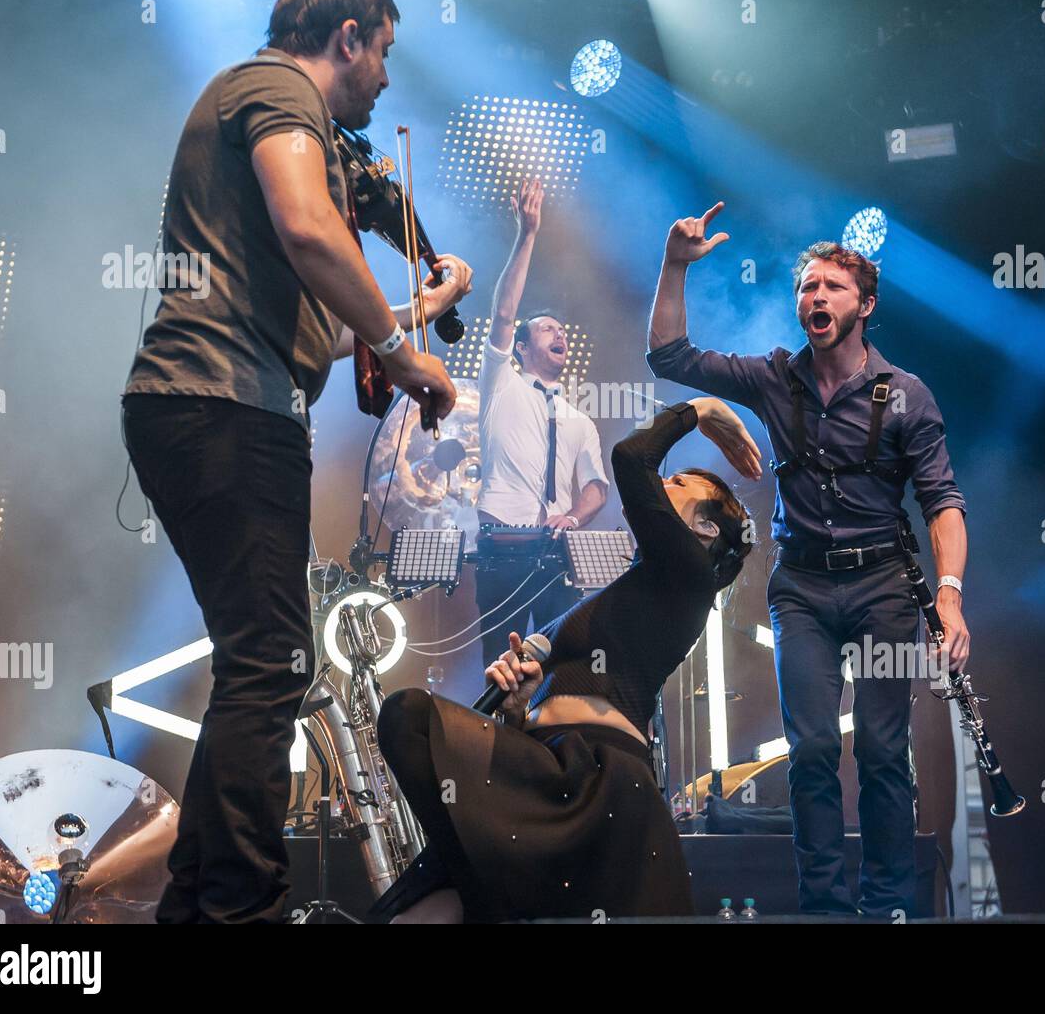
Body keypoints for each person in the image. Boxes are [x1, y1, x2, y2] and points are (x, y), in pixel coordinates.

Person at [121, 0, 468, 923]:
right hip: (219, 405)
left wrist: (420, 306)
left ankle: (197, 909)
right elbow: (313, 228)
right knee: (270, 663)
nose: (387, 81)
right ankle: (241, 908)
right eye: (385, 53)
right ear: (348, 36)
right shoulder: (276, 88)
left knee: (258, 660)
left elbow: (331, 281)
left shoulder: (281, 109)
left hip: (223, 407)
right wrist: (408, 355)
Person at [646, 202, 970, 917]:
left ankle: (889, 905)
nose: (815, 298)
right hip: (803, 589)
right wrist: (674, 265)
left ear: (866, 305)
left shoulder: (907, 396)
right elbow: (668, 356)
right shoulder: (773, 378)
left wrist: (947, 594)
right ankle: (824, 908)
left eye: (832, 287)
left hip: (886, 589)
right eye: (806, 287)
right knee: (814, 749)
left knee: (885, 753)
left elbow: (943, 501)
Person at [367, 397, 761, 922]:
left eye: (681, 485)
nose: (664, 484)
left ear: (706, 530)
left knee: (410, 717)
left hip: (595, 776)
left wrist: (704, 408)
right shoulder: (629, 590)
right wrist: (519, 708)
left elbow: (631, 456)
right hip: (543, 762)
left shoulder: (689, 576)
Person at [474, 177, 608, 667]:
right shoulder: (501, 383)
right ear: (524, 348)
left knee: (562, 666)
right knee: (502, 667)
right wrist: (527, 235)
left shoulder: (578, 420)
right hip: (501, 551)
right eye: (548, 329)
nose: (560, 334)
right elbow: (505, 312)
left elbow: (596, 486)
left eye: (563, 330)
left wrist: (573, 516)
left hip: (554, 556)